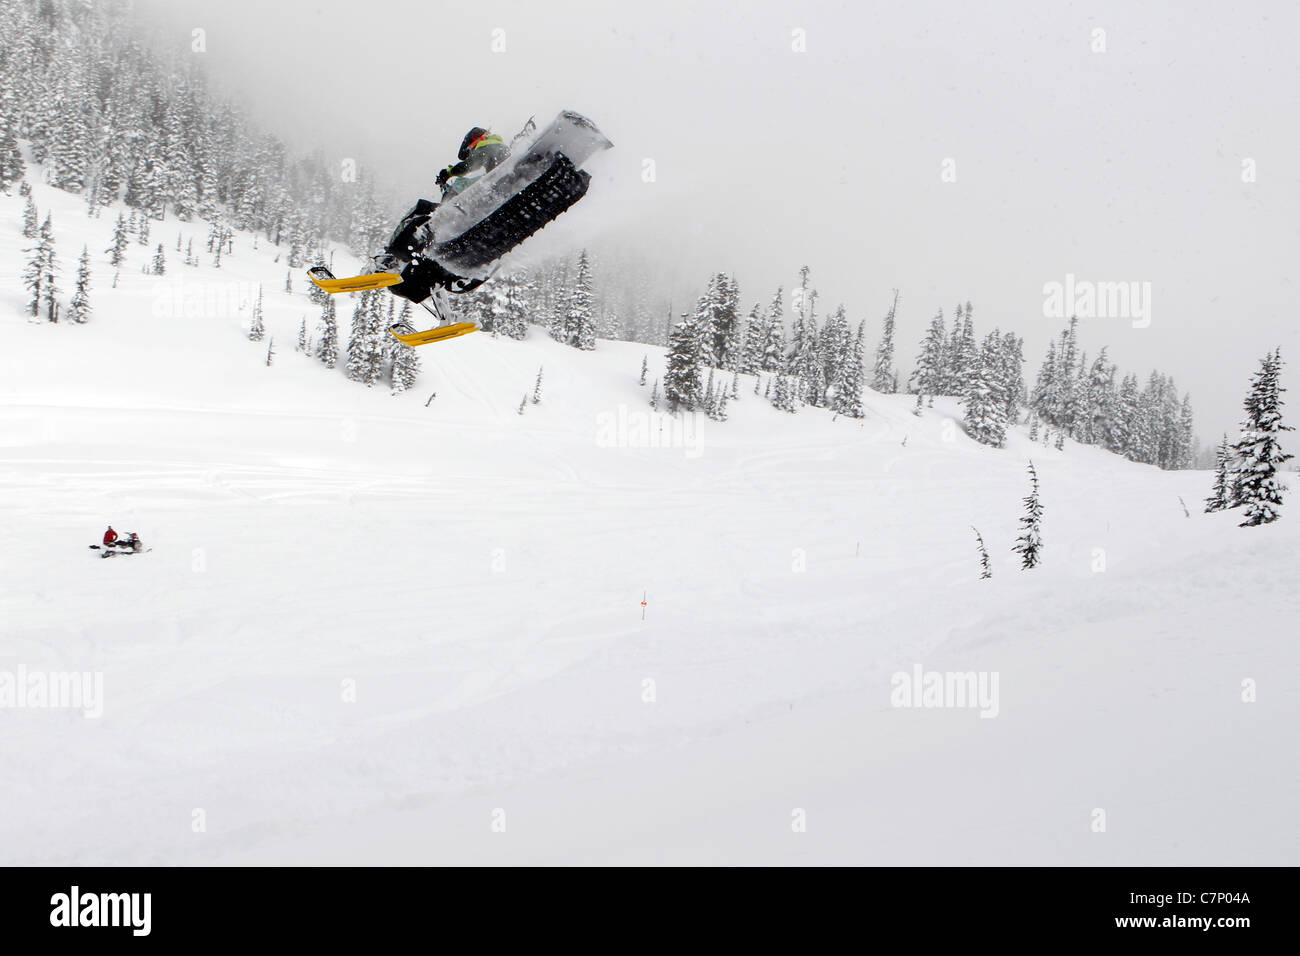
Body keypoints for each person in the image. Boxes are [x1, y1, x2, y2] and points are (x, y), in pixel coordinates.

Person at [435, 127, 510, 199]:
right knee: (472, 181)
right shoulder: (498, 144)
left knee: (461, 183)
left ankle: (453, 200)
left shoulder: (484, 147)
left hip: (500, 183)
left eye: (471, 152)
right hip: (503, 177)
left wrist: (448, 173)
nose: (472, 153)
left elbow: (467, 165)